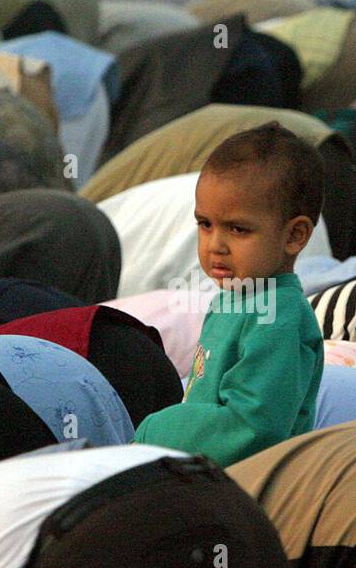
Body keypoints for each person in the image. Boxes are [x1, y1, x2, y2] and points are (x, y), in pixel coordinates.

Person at [133, 123, 325, 465]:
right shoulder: (236, 297)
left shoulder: (277, 315)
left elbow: (251, 427)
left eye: (238, 229)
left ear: (295, 235)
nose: (215, 245)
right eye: (205, 224)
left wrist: (153, 429)